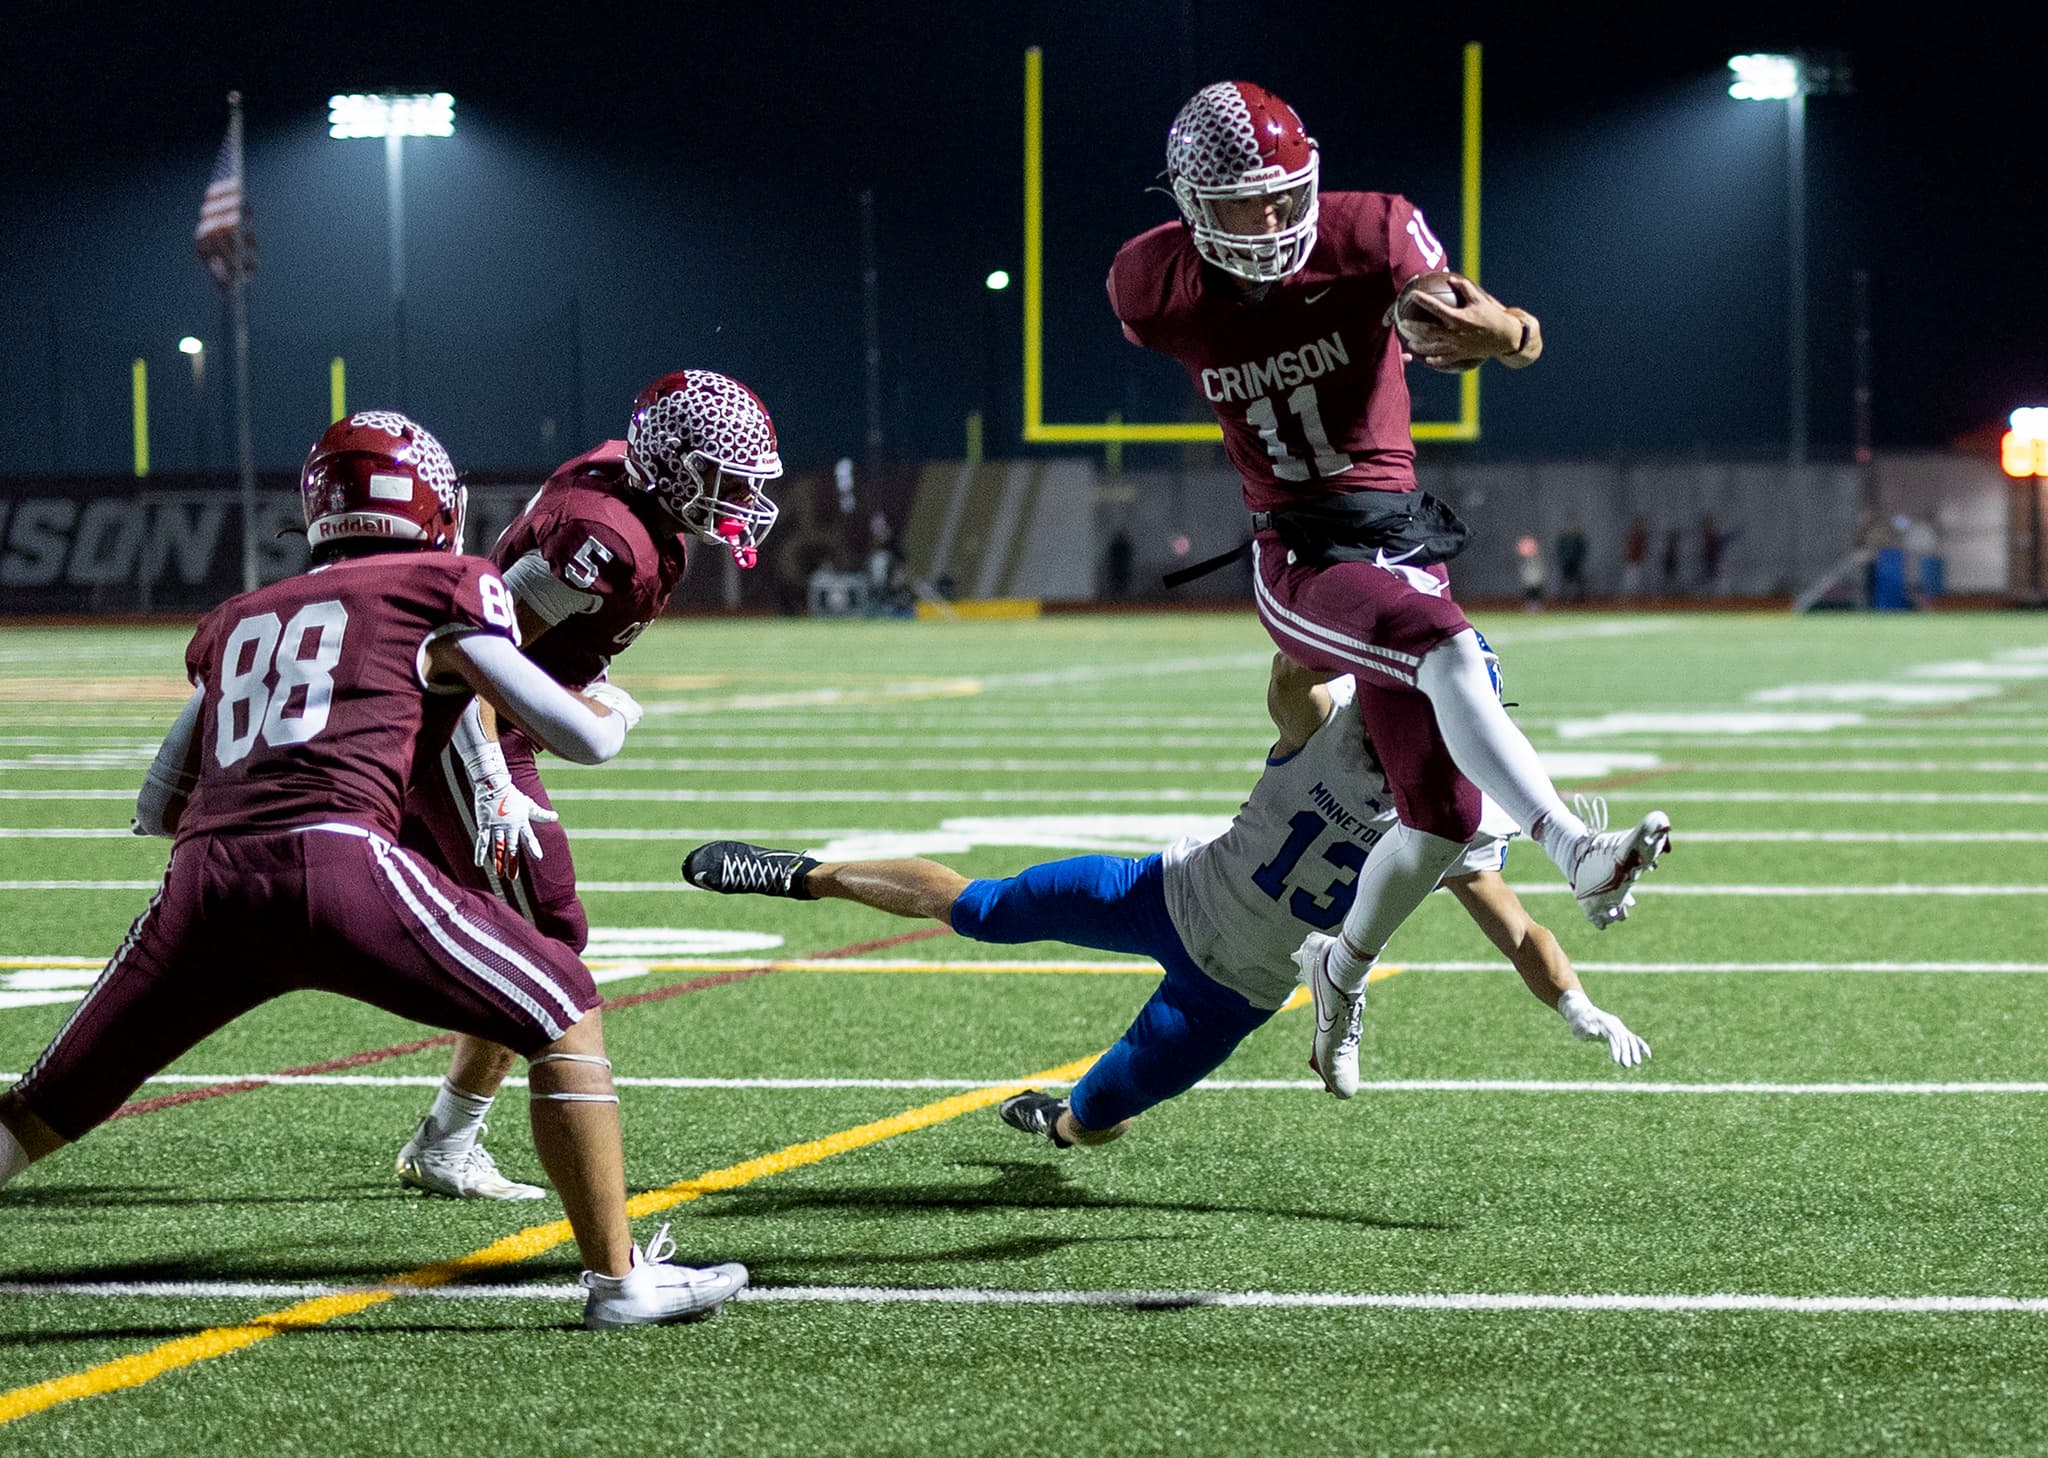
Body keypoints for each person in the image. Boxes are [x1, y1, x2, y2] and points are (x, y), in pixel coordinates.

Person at [0, 412, 744, 1328]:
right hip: (343, 864)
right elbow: (580, 737)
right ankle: (620, 1282)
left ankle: (479, 1165)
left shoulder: (240, 617)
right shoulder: (446, 583)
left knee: (45, 1104)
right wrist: (618, 708)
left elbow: (157, 807)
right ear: (435, 502)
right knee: (563, 1002)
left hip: (203, 883)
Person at [1105, 81, 1669, 1091]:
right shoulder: (1151, 287)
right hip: (1300, 555)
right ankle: (1572, 845)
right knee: (1444, 645)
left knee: (1442, 820)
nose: (1274, 220)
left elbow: (1495, 321)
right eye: (1246, 202)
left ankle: (1339, 971)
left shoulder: (1370, 234)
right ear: (1191, 204)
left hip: (1399, 537)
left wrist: (1507, 335)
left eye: (1286, 196)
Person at [681, 650, 1648, 1141]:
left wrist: (1576, 1002)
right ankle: (804, 874)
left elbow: (1518, 934)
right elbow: (1291, 666)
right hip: (1166, 890)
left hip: (1232, 997)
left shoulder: (1459, 822)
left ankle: (1063, 1116)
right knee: (982, 909)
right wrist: (1355, 609)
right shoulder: (1333, 723)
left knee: (1091, 1124)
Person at [391, 371, 784, 1201]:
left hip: (499, 717)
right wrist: (495, 780)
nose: (744, 496)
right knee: (546, 942)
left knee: (524, 937)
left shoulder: (632, 494)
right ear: (673, 465)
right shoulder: (601, 537)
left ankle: (445, 1138)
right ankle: (449, 1143)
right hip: (465, 727)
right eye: (726, 476)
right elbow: (472, 654)